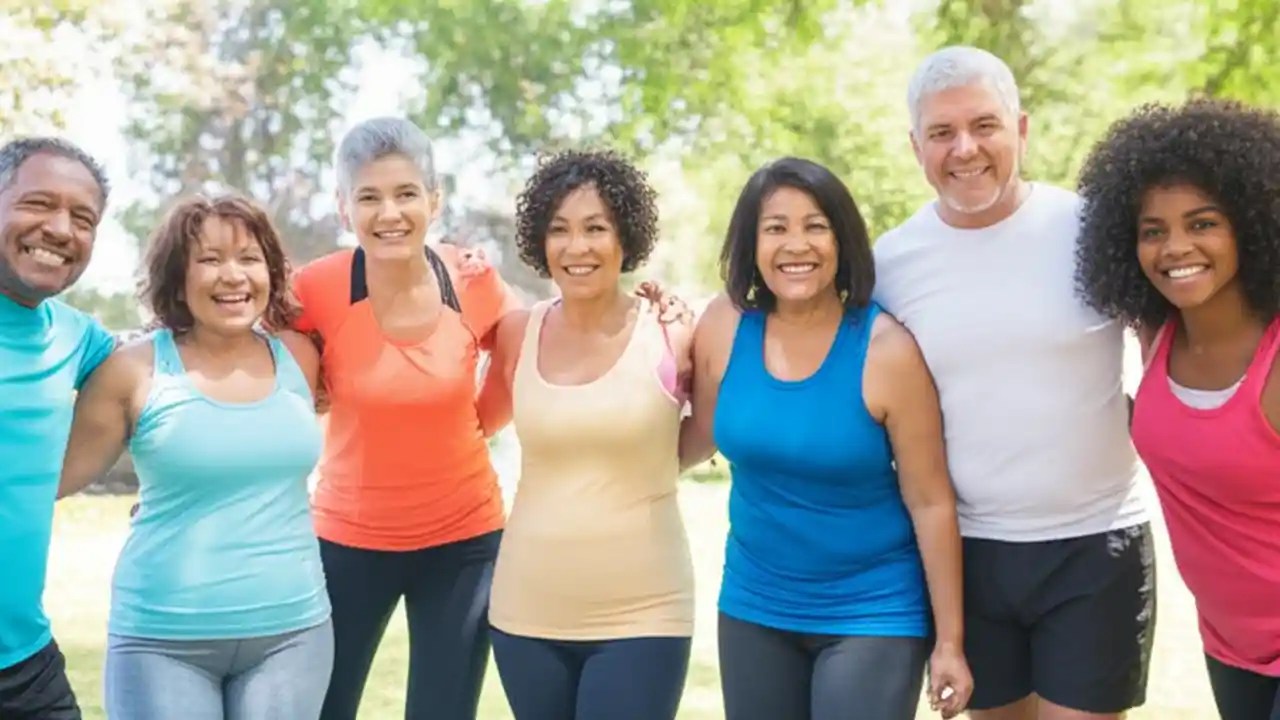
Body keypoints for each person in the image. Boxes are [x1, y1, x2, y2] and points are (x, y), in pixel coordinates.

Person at [871, 46, 1155, 720]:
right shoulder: (890, 265)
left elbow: (1176, 338)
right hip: (968, 554)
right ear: (916, 147)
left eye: (984, 125)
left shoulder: (1093, 231)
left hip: (1096, 542)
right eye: (942, 133)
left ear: (1020, 130)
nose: (964, 149)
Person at [681, 156, 972, 720]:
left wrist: (950, 643)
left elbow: (931, 501)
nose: (797, 245)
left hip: (873, 610)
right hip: (754, 604)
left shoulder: (887, 350)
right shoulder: (722, 325)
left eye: (816, 226)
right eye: (776, 228)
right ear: (751, 243)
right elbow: (694, 435)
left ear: (842, 241)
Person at [57, 193, 333, 719]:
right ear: (178, 277)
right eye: (210, 260)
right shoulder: (133, 371)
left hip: (293, 633)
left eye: (249, 259)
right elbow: (50, 478)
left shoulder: (301, 356)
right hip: (163, 639)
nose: (233, 276)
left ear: (271, 272)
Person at [290, 117, 522, 720]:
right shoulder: (315, 288)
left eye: (405, 194)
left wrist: (475, 425)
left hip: (465, 545)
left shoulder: (471, 280)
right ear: (344, 209)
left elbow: (527, 344)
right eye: (369, 196)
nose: (388, 212)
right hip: (347, 540)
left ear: (434, 201)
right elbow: (242, 352)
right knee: (321, 707)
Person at [1075, 98, 1280, 720]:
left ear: (1251, 221)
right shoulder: (1154, 335)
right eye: (1152, 230)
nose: (1176, 247)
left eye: (1203, 222)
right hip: (1230, 644)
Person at [477, 149, 696, 720]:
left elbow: (710, 431)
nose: (578, 248)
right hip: (526, 608)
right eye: (560, 231)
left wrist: (648, 467)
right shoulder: (516, 332)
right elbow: (471, 417)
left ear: (626, 237)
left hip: (645, 612)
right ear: (539, 243)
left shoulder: (673, 331)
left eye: (596, 228)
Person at [0, 137, 115, 720]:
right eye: (38, 203)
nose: (60, 229)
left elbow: (169, 384)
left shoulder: (80, 339)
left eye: (82, 218)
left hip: (24, 666)